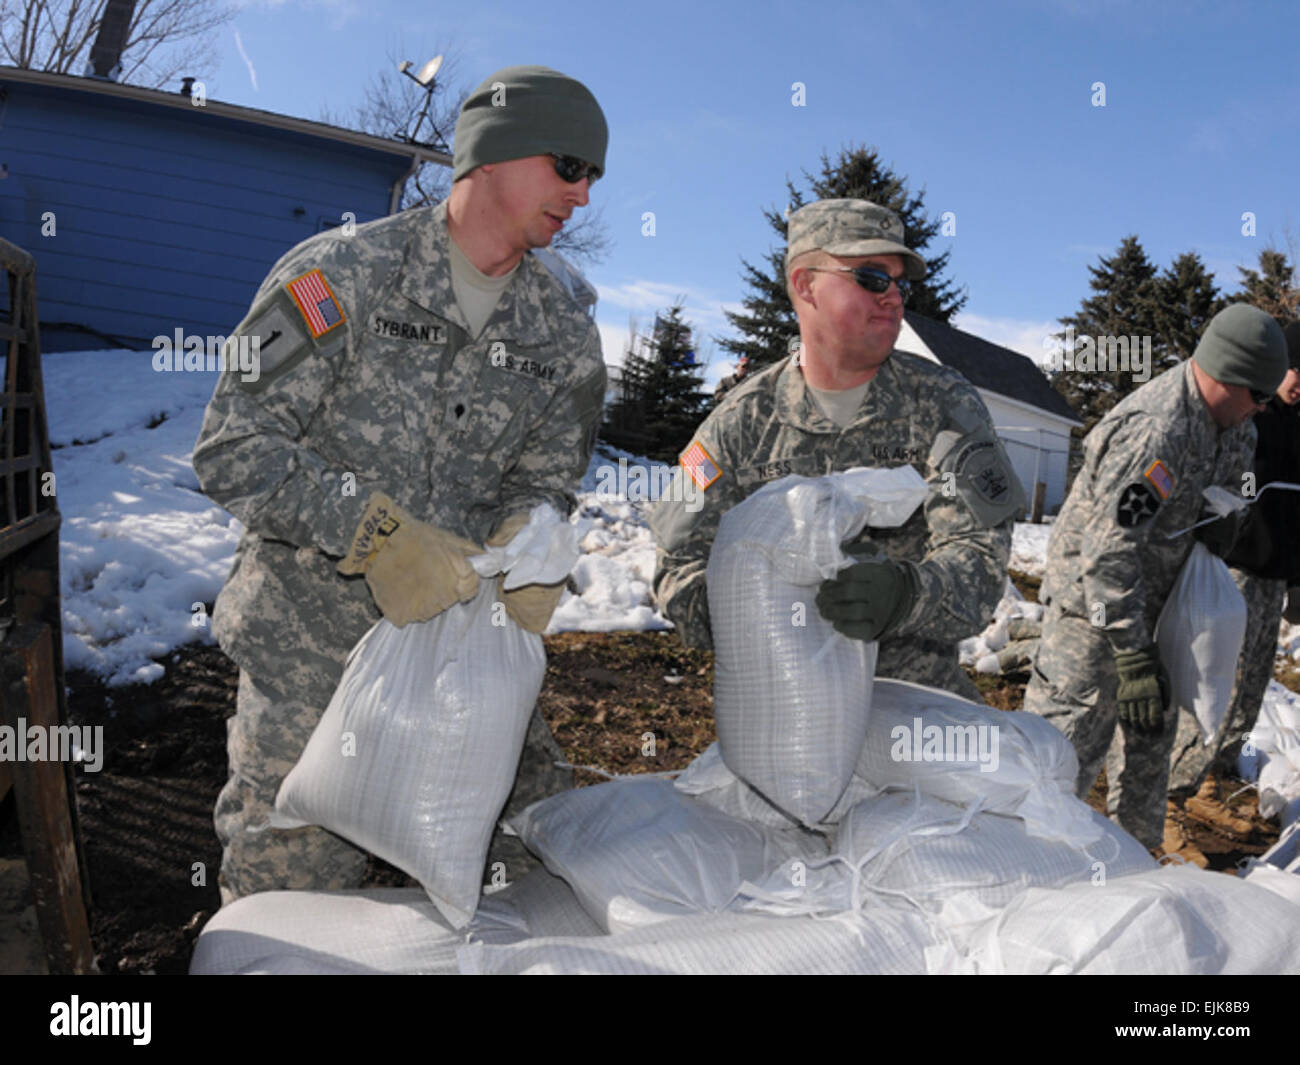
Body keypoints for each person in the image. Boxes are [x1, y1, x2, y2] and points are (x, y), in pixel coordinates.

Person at [192, 65, 609, 904]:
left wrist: (532, 533)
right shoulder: (334, 278)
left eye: (595, 176)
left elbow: (546, 476)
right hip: (310, 654)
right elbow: (232, 446)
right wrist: (374, 535)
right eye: (570, 166)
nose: (585, 195)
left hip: (467, 658)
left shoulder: (564, 334)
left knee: (545, 874)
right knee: (288, 906)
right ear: (491, 155)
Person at [650, 198, 1025, 701]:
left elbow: (979, 563)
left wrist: (905, 594)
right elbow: (678, 566)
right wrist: (761, 611)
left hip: (914, 706)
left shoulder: (944, 404)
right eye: (872, 277)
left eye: (900, 283)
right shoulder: (739, 424)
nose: (893, 297)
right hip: (782, 713)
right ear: (805, 284)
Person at [1022, 304, 1288, 849]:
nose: (1262, 409)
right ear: (1224, 374)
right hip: (1093, 614)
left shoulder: (1237, 426)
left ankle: (1133, 870)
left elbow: (1236, 490)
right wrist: (1132, 652)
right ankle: (1030, 867)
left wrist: (1224, 524)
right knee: (1061, 754)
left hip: (1163, 607)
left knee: (1149, 752)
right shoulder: (1156, 430)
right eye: (1256, 396)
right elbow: (1108, 551)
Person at [1168, 318, 1300, 794]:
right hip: (1233, 573)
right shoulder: (1250, 419)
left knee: (1251, 688)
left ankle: (1214, 782)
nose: (1299, 382)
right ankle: (1176, 789)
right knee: (1217, 682)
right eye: (1295, 369)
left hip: (1274, 578)